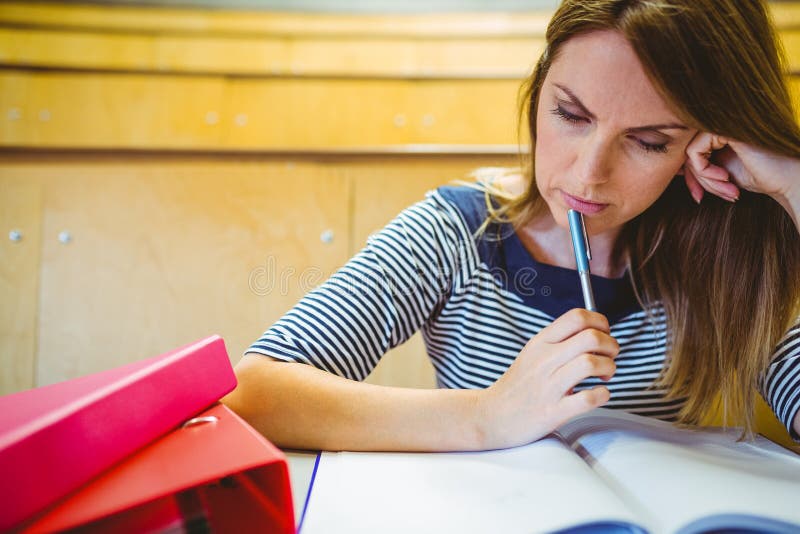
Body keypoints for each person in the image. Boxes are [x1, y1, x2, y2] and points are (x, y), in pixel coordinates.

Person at [222, 0, 800, 452]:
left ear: (705, 143)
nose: (588, 173)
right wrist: (486, 417)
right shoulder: (457, 233)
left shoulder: (724, 249)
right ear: (538, 92)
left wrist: (791, 184)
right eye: (571, 115)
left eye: (649, 142)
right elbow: (257, 389)